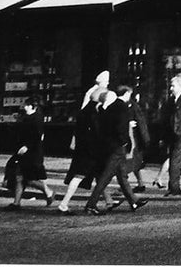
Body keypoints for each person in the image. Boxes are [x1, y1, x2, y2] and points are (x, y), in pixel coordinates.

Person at [84, 84, 145, 215]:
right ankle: (91, 204)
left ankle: (133, 201)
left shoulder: (107, 109)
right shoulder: (122, 108)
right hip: (118, 147)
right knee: (106, 177)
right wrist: (125, 142)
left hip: (110, 146)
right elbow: (121, 129)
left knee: (122, 175)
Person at [57, 73, 110, 213]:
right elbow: (97, 132)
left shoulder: (84, 111)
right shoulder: (95, 113)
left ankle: (107, 201)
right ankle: (64, 203)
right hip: (90, 150)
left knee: (99, 175)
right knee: (81, 176)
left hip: (84, 148)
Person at [8, 97, 55, 208]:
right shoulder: (26, 118)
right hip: (23, 151)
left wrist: (27, 146)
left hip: (32, 153)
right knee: (20, 177)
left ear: (31, 106)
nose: (24, 107)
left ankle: (48, 191)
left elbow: (38, 136)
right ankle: (16, 202)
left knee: (29, 179)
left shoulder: (37, 119)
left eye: (26, 105)